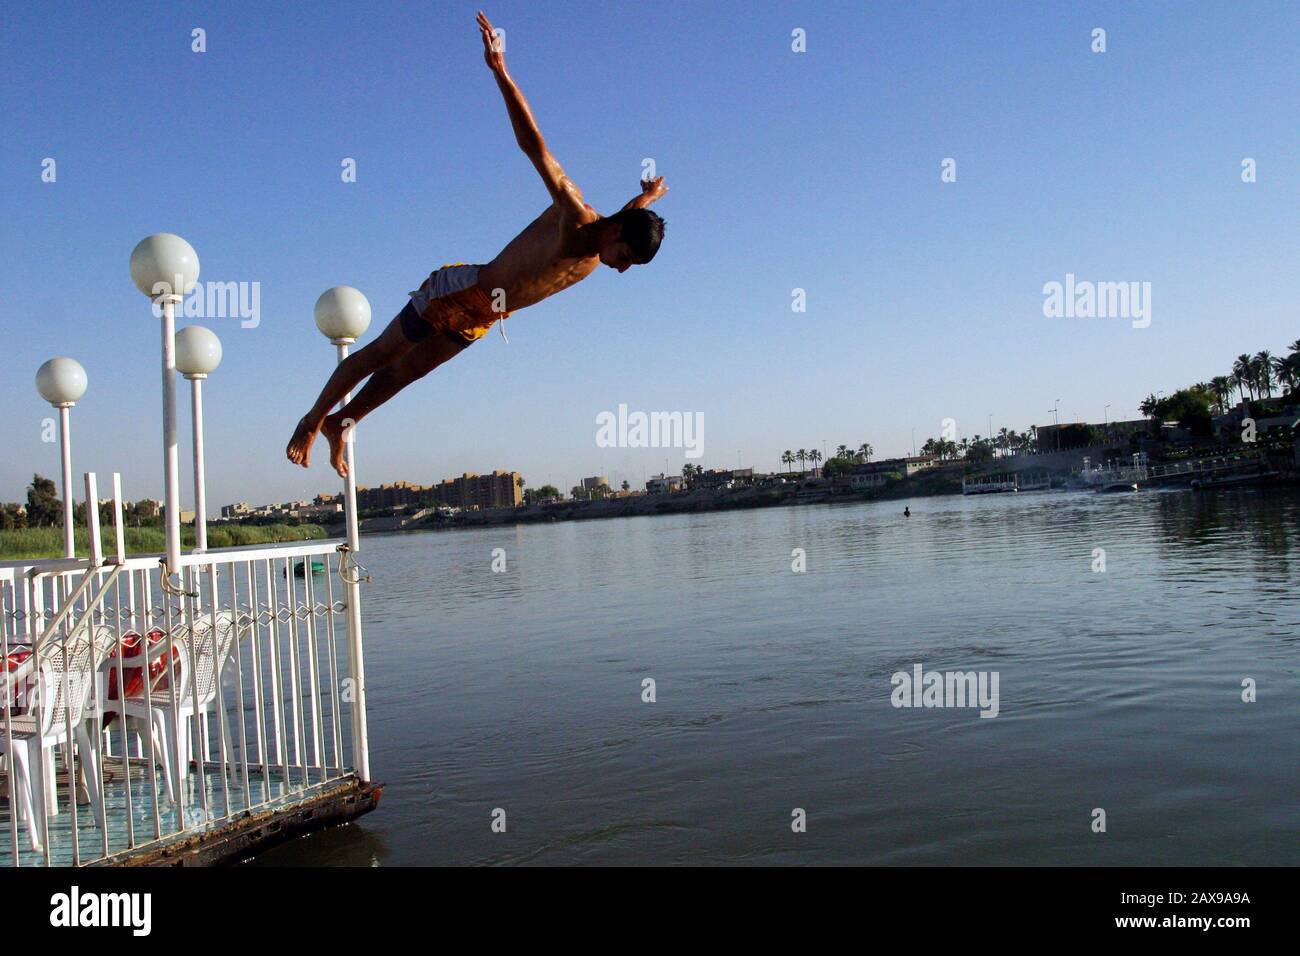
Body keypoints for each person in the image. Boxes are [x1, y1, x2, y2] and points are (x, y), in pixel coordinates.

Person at [287, 11, 668, 476]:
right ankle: (311, 421)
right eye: (625, 257)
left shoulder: (608, 239)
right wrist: (501, 72)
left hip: (484, 316)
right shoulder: (573, 213)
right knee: (382, 354)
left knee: (406, 373)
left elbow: (628, 216)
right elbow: (536, 146)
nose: (621, 269)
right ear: (614, 233)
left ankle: (340, 424)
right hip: (460, 289)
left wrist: (648, 196)